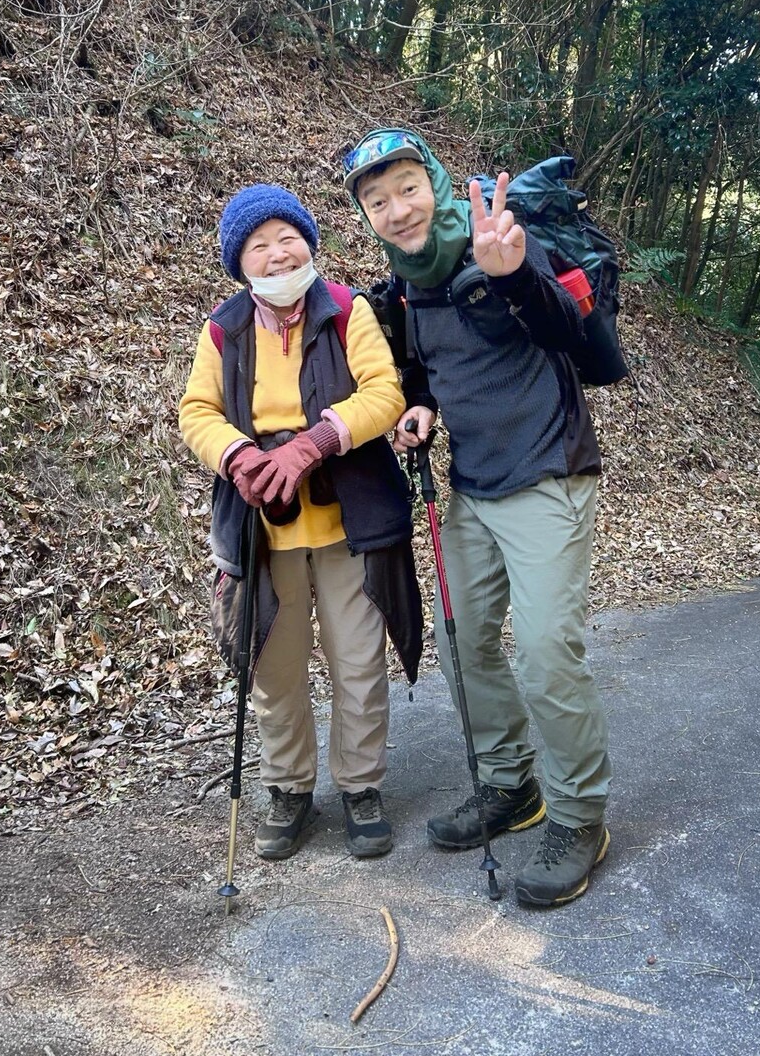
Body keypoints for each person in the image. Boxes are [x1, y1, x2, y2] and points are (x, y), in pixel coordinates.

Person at [341, 129, 611, 906]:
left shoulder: (497, 241)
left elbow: (563, 330)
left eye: (408, 189)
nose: (398, 210)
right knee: (463, 642)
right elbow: (427, 361)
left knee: (547, 652)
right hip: (473, 487)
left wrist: (514, 273)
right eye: (378, 201)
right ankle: (509, 785)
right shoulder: (407, 283)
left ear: (434, 182)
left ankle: (580, 817)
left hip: (548, 474)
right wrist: (422, 403)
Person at [179, 184, 422, 862]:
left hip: (350, 523)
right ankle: (289, 788)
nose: (278, 253)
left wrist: (312, 444)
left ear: (309, 244)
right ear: (240, 262)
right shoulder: (224, 329)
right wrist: (239, 457)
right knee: (273, 667)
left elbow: (384, 392)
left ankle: (361, 787)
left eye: (288, 238)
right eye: (259, 245)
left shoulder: (347, 309)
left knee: (358, 661)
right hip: (263, 530)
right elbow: (197, 411)